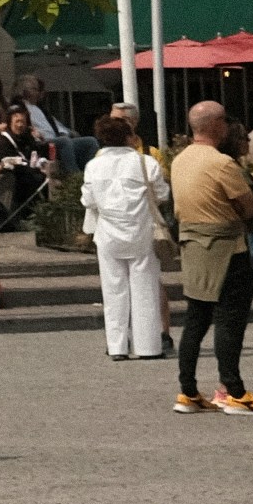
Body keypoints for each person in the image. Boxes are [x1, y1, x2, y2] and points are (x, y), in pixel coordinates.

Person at [166, 100, 253, 414]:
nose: (227, 126)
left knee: (196, 319)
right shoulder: (221, 163)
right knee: (229, 321)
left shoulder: (179, 160)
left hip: (193, 247)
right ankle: (235, 392)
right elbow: (251, 207)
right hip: (227, 247)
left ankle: (188, 391)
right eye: (224, 120)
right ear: (215, 125)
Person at [81, 107, 171, 365]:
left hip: (108, 232)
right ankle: (148, 345)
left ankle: (117, 345)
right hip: (141, 230)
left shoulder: (93, 166)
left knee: (113, 290)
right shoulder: (146, 162)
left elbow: (88, 199)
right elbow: (162, 195)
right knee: (145, 288)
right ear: (129, 136)